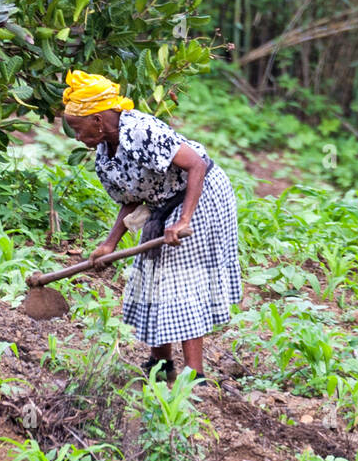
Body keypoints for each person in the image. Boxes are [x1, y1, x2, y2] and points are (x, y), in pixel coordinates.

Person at [62, 70, 241, 381]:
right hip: (162, 203)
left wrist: (184, 220)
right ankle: (161, 365)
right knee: (151, 277)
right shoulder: (106, 153)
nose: (77, 137)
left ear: (98, 120)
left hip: (199, 193)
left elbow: (196, 164)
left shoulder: (141, 131)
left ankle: (194, 374)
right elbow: (131, 199)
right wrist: (109, 244)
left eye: (78, 129)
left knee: (181, 278)